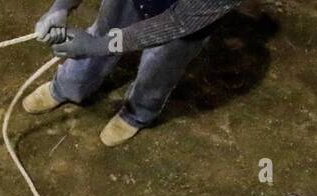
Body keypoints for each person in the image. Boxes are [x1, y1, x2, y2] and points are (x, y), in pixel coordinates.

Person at [26, 0, 242, 145]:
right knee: (104, 30)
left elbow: (176, 22)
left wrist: (100, 45)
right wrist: (61, 6)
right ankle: (68, 86)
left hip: (184, 22)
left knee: (160, 67)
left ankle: (136, 114)